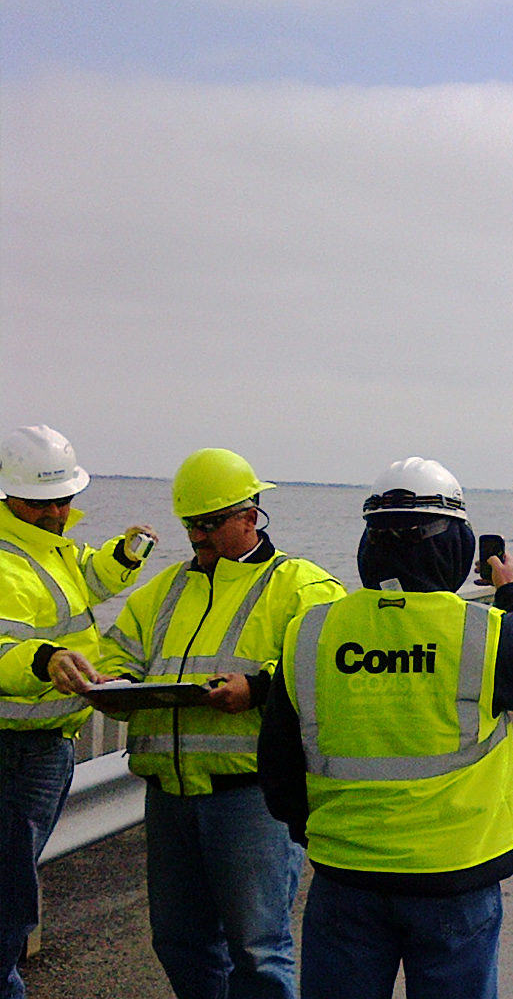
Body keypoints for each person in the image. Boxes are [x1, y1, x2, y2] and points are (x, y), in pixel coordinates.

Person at [259, 457, 513, 999]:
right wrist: (512, 591)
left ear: (369, 544)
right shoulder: (485, 632)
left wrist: (320, 835)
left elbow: (278, 765)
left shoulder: (310, 631)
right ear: (457, 546)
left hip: (345, 875)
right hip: (455, 875)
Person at [92, 449, 344, 999]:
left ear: (250, 516)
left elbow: (328, 669)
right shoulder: (163, 590)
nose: (197, 537)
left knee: (257, 950)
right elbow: (116, 657)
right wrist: (111, 687)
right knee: (179, 942)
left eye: (209, 524)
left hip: (253, 798)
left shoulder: (303, 586)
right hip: (169, 797)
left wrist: (257, 689)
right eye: (190, 525)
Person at [0, 425, 153, 999]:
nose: (56, 512)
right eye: (41, 503)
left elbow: (84, 578)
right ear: (10, 495)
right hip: (13, 751)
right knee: (7, 901)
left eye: (63, 500)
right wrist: (44, 660)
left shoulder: (49, 546)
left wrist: (122, 557)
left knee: (12, 894)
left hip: (45, 745)